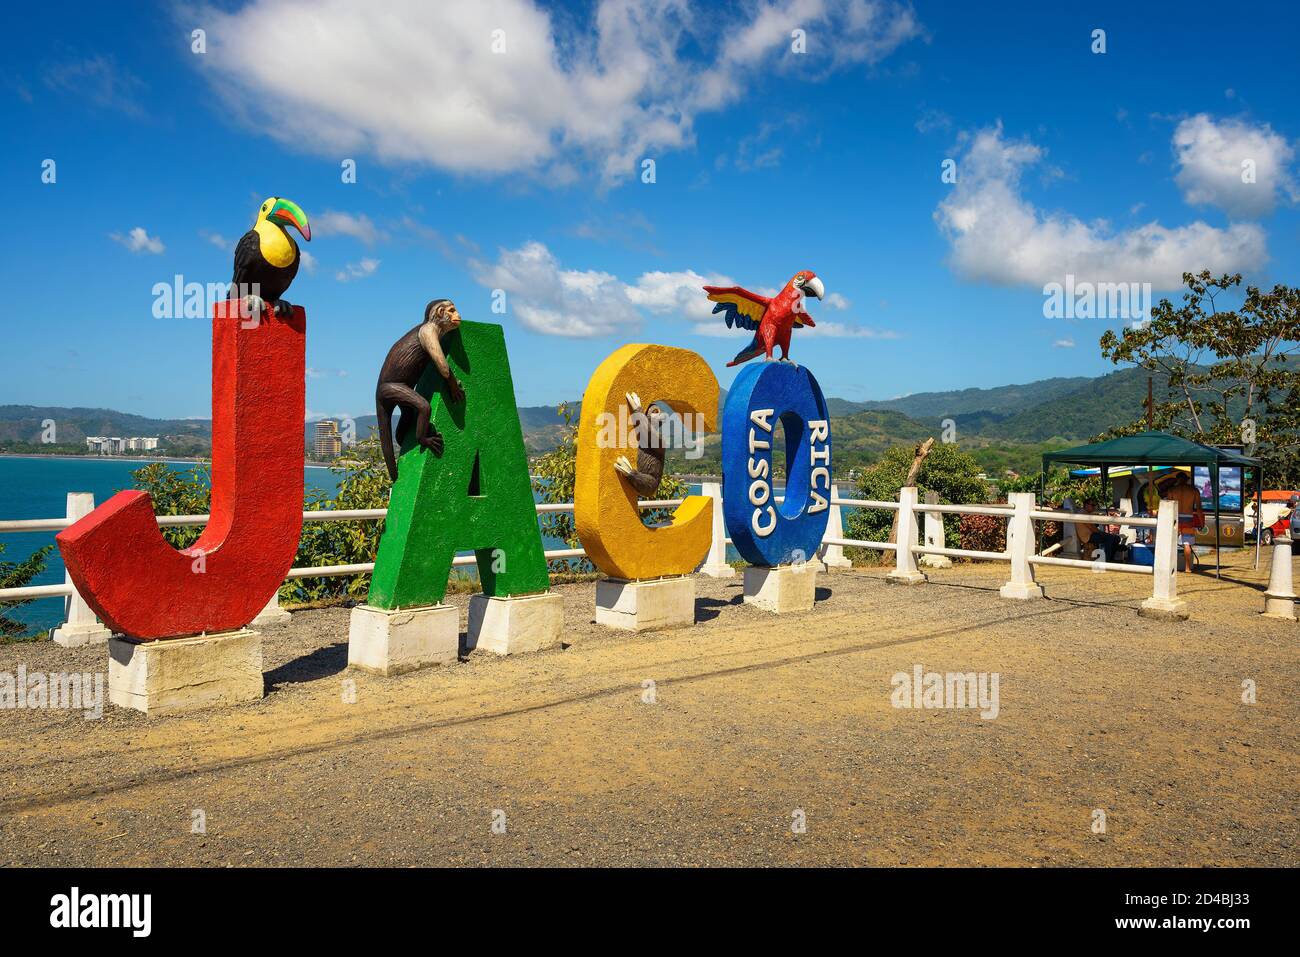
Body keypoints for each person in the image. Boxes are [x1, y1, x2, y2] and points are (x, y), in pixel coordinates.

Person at [1163, 470, 1205, 572]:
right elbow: (1199, 509)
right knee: (1187, 544)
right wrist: (1202, 522)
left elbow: (1168, 506)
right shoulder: (1194, 490)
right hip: (1188, 518)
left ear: (1177, 479)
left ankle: (1169, 566)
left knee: (1171, 543)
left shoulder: (1172, 490)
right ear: (1187, 480)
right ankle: (1187, 568)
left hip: (1175, 517)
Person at [1076, 498, 1121, 563]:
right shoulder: (1083, 513)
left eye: (1095, 505)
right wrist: (1102, 533)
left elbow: (1093, 527)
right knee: (1109, 538)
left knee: (1116, 538)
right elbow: (1093, 528)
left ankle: (1110, 558)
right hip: (1088, 537)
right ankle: (1107, 560)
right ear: (1086, 505)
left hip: (1091, 534)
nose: (1094, 507)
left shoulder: (1086, 513)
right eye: (1093, 505)